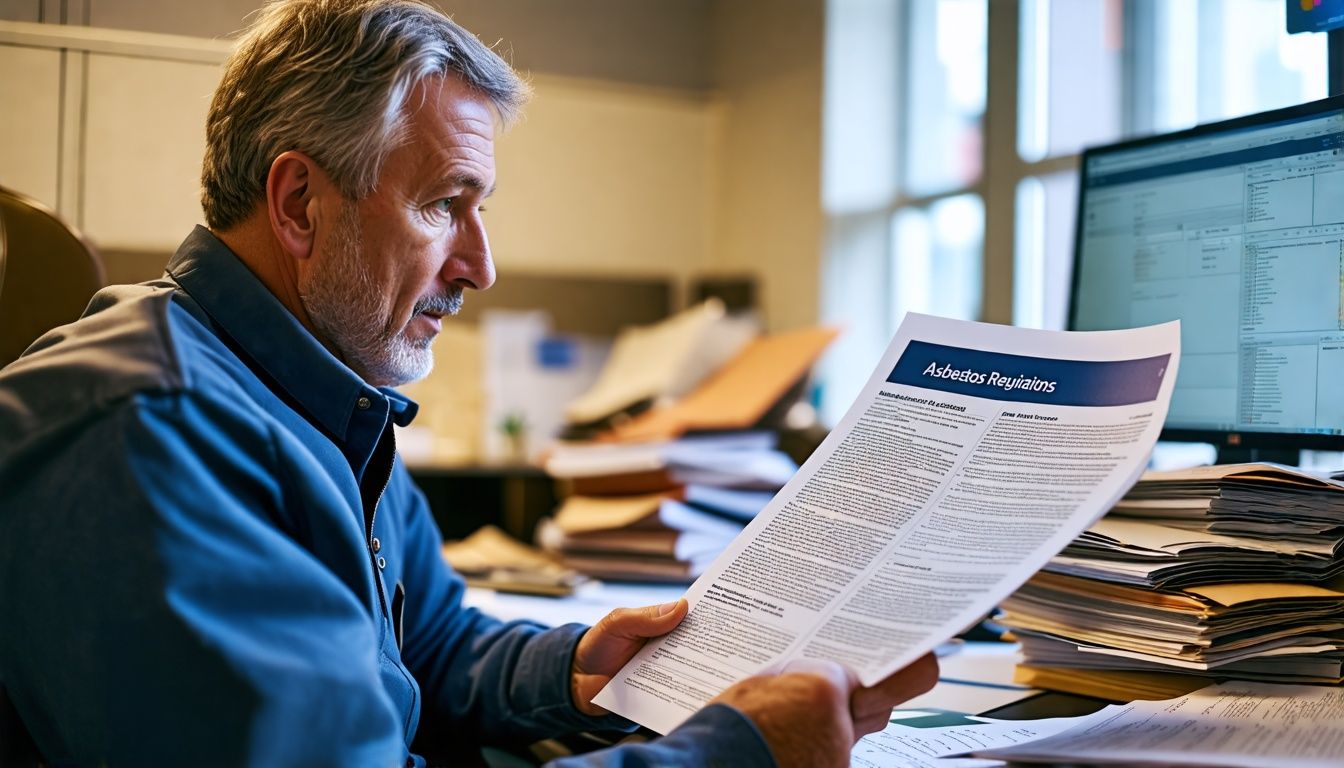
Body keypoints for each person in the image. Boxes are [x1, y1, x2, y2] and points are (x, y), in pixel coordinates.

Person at [0, 1, 938, 765]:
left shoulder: (319, 389)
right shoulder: (153, 428)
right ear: (298, 205)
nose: (480, 266)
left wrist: (577, 668)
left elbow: (423, 651)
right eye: (444, 205)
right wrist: (739, 754)